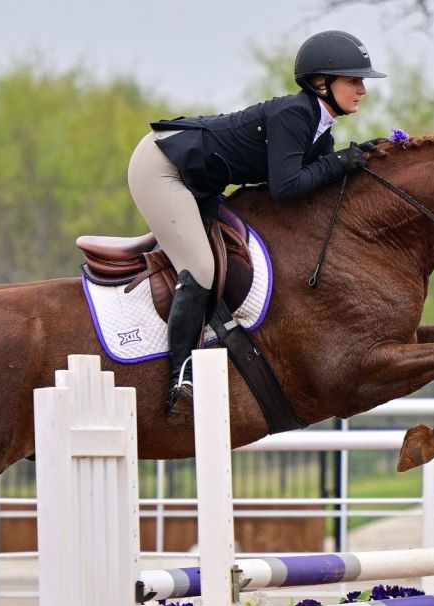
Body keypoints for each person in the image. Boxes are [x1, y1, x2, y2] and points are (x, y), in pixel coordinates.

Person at [127, 30, 386, 415]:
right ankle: (180, 378)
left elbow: (313, 191)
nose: (362, 88)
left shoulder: (320, 130)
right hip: (163, 166)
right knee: (199, 266)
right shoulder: (294, 114)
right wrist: (340, 162)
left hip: (199, 179)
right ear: (321, 83)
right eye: (353, 79)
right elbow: (287, 188)